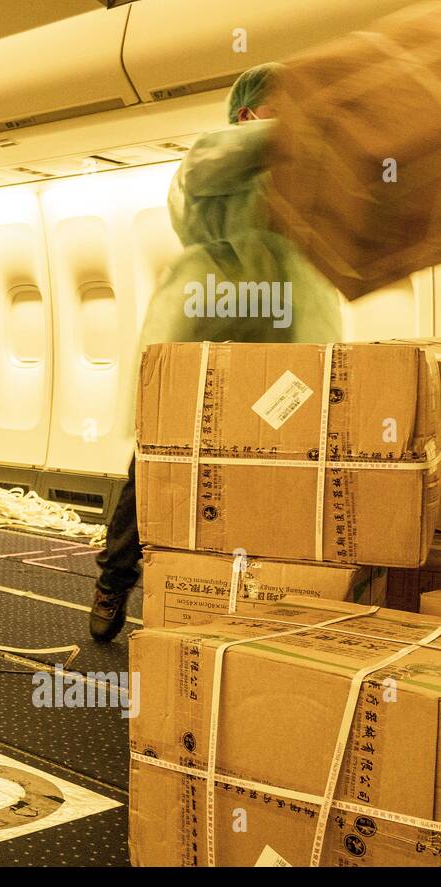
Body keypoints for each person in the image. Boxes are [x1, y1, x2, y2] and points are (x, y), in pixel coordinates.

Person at [89, 63, 343, 642]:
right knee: (157, 458)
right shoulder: (214, 153)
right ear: (249, 112)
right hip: (207, 319)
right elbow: (228, 159)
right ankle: (114, 578)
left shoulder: (304, 172)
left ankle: (256, 588)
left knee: (276, 453)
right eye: (283, 103)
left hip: (287, 332)